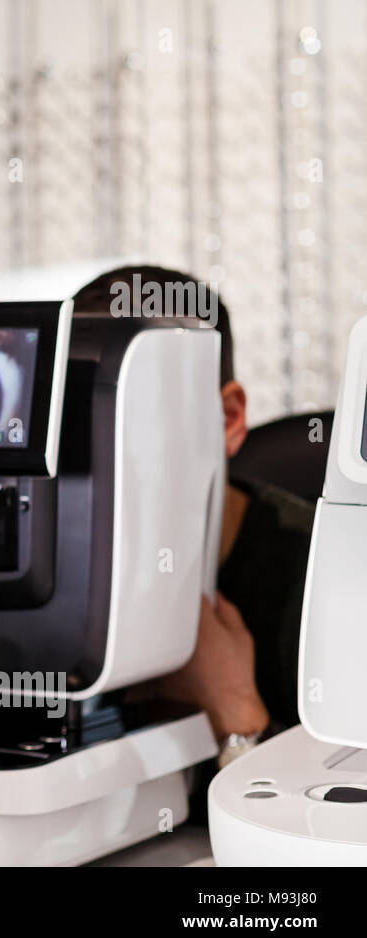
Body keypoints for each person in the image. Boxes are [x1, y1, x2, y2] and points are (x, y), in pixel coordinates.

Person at [71, 265, 313, 769]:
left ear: (225, 420)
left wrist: (235, 713)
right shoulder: (43, 555)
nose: (108, 451)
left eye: (139, 415)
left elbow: (337, 833)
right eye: (77, 416)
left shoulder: (324, 579)